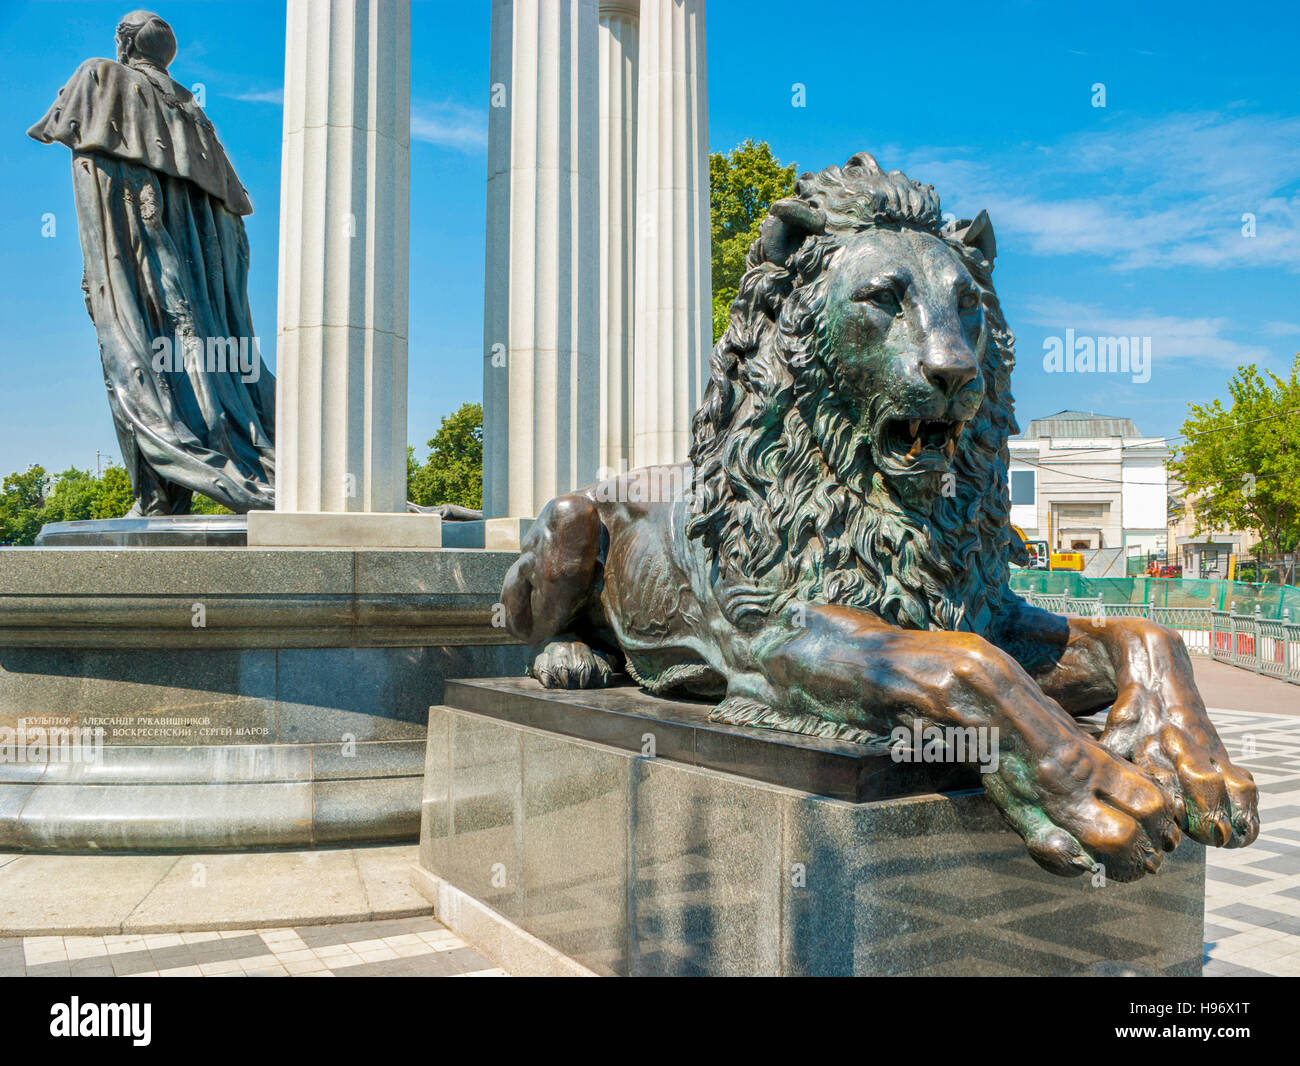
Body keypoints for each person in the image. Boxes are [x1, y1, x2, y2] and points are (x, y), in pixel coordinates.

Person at [29, 11, 275, 515]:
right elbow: (230, 227)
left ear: (123, 44)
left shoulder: (101, 77)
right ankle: (164, 493)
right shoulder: (194, 111)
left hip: (135, 272)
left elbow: (94, 189)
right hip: (197, 300)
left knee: (129, 358)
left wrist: (100, 278)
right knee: (187, 367)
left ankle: (157, 498)